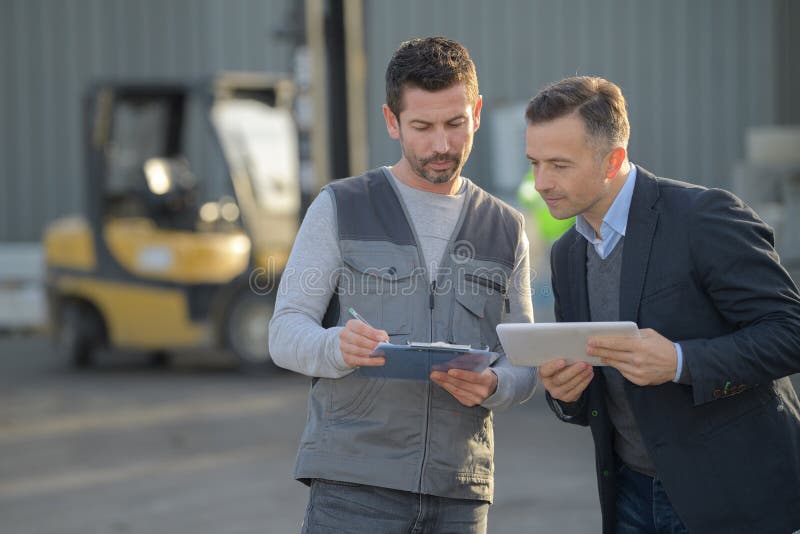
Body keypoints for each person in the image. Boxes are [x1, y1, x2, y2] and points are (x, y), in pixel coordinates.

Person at [269, 37, 537, 533]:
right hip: (353, 487)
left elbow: (523, 359)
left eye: (455, 123)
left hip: (459, 493)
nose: (441, 145)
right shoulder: (341, 206)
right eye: (422, 127)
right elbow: (284, 331)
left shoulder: (506, 229)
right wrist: (336, 346)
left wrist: (496, 384)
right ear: (392, 121)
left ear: (477, 113)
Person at [526, 76, 800, 533]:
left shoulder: (704, 218)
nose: (540, 183)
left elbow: (790, 332)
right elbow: (595, 395)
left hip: (733, 493)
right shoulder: (568, 253)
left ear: (613, 160)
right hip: (629, 496)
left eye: (559, 165)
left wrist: (679, 361)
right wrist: (565, 392)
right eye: (534, 163)